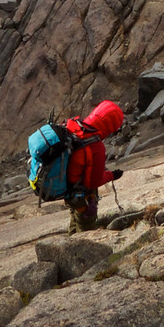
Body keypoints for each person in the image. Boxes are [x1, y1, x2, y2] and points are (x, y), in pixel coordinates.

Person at [64, 99, 125, 234]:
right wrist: (112, 175)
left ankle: (66, 250)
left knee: (74, 223)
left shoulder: (74, 126)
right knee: (85, 230)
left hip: (67, 189)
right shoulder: (95, 146)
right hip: (81, 195)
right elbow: (93, 182)